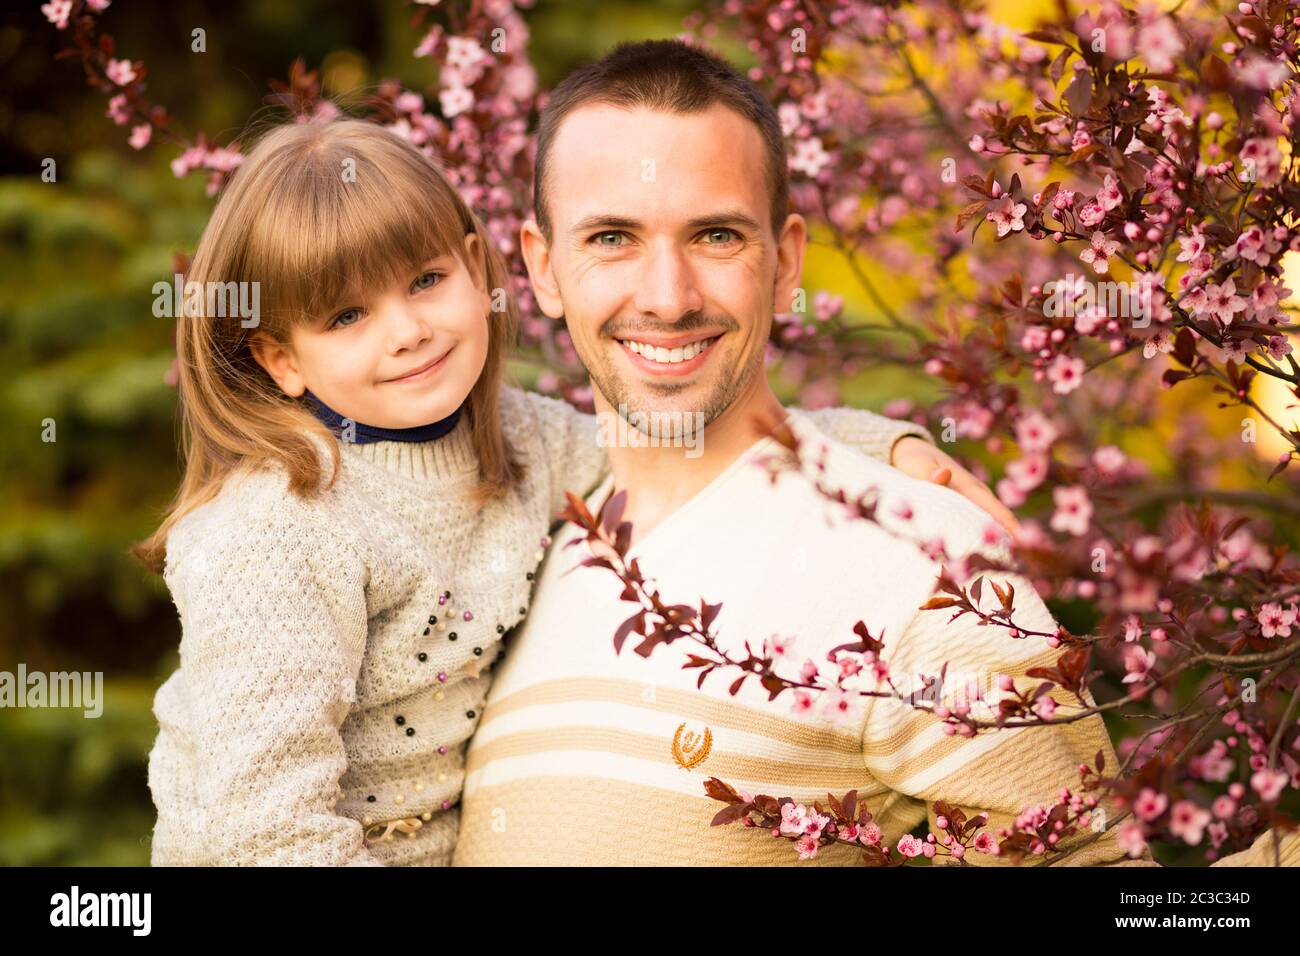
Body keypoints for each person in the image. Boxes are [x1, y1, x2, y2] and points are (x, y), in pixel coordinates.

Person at [451, 40, 1298, 867]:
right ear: (542, 267)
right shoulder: (516, 543)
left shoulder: (929, 567)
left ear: (785, 263)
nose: (667, 297)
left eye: (715, 236)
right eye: (611, 239)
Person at [137, 117, 988, 865]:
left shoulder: (521, 438)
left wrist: (886, 445)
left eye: (425, 282)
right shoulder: (280, 525)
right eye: (346, 318)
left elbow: (692, 441)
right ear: (281, 358)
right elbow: (255, 830)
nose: (408, 331)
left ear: (477, 269)